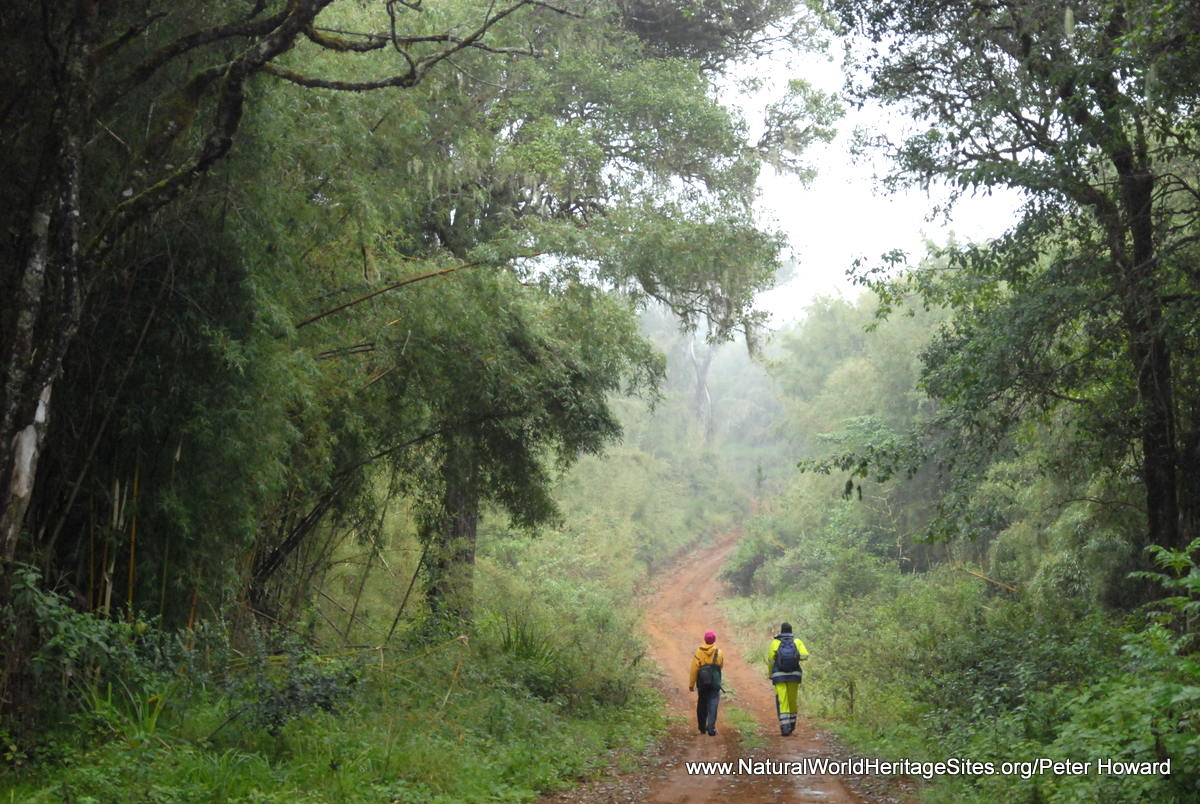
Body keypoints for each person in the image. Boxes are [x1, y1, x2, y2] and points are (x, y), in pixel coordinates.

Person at [765, 622, 808, 736]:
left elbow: (771, 661)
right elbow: (805, 656)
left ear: (781, 631)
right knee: (792, 699)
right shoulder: (797, 642)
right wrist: (796, 657)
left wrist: (770, 673)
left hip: (779, 675)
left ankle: (785, 727)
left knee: (782, 700)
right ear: (791, 631)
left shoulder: (775, 642)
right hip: (794, 674)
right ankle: (792, 724)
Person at [688, 630, 724, 736]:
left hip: (702, 682)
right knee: (713, 702)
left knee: (702, 703)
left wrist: (691, 684)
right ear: (714, 640)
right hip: (715, 682)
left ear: (705, 639)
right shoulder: (719, 652)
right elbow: (720, 666)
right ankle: (711, 728)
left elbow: (694, 669)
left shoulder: (699, 652)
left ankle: (702, 728)